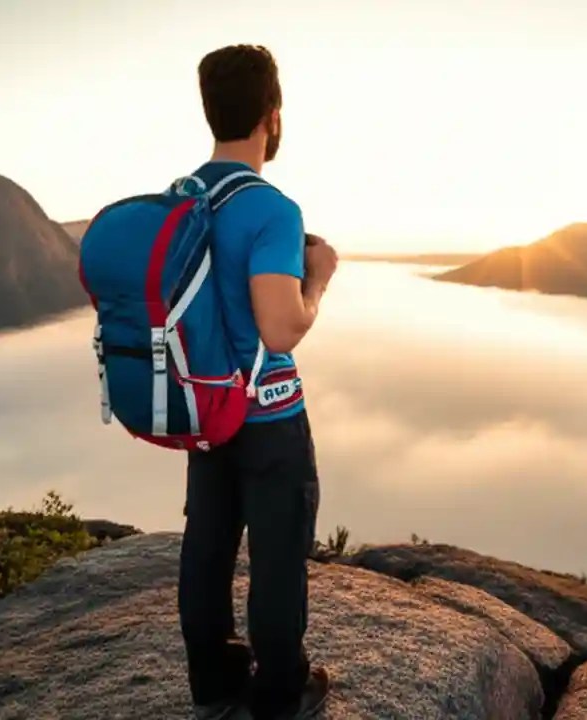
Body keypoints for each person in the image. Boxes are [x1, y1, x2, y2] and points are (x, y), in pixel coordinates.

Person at [178, 44, 337, 720]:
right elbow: (280, 328)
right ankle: (280, 692)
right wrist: (319, 276)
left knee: (208, 543)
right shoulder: (272, 210)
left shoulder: (182, 198)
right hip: (268, 413)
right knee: (276, 555)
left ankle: (214, 680)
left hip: (203, 406)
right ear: (273, 116)